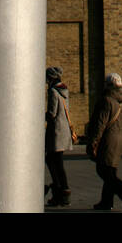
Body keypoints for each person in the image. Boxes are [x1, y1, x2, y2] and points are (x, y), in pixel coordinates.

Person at [87, 72, 122, 211]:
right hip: (118, 140)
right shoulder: (119, 103)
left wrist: (93, 141)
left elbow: (100, 124)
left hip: (108, 140)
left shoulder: (106, 101)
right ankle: (106, 202)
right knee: (110, 171)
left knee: (103, 170)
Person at [45, 66, 75, 207]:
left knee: (52, 161)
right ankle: (63, 191)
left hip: (56, 131)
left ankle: (58, 190)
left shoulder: (53, 91)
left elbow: (52, 113)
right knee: (58, 162)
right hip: (64, 131)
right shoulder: (64, 90)